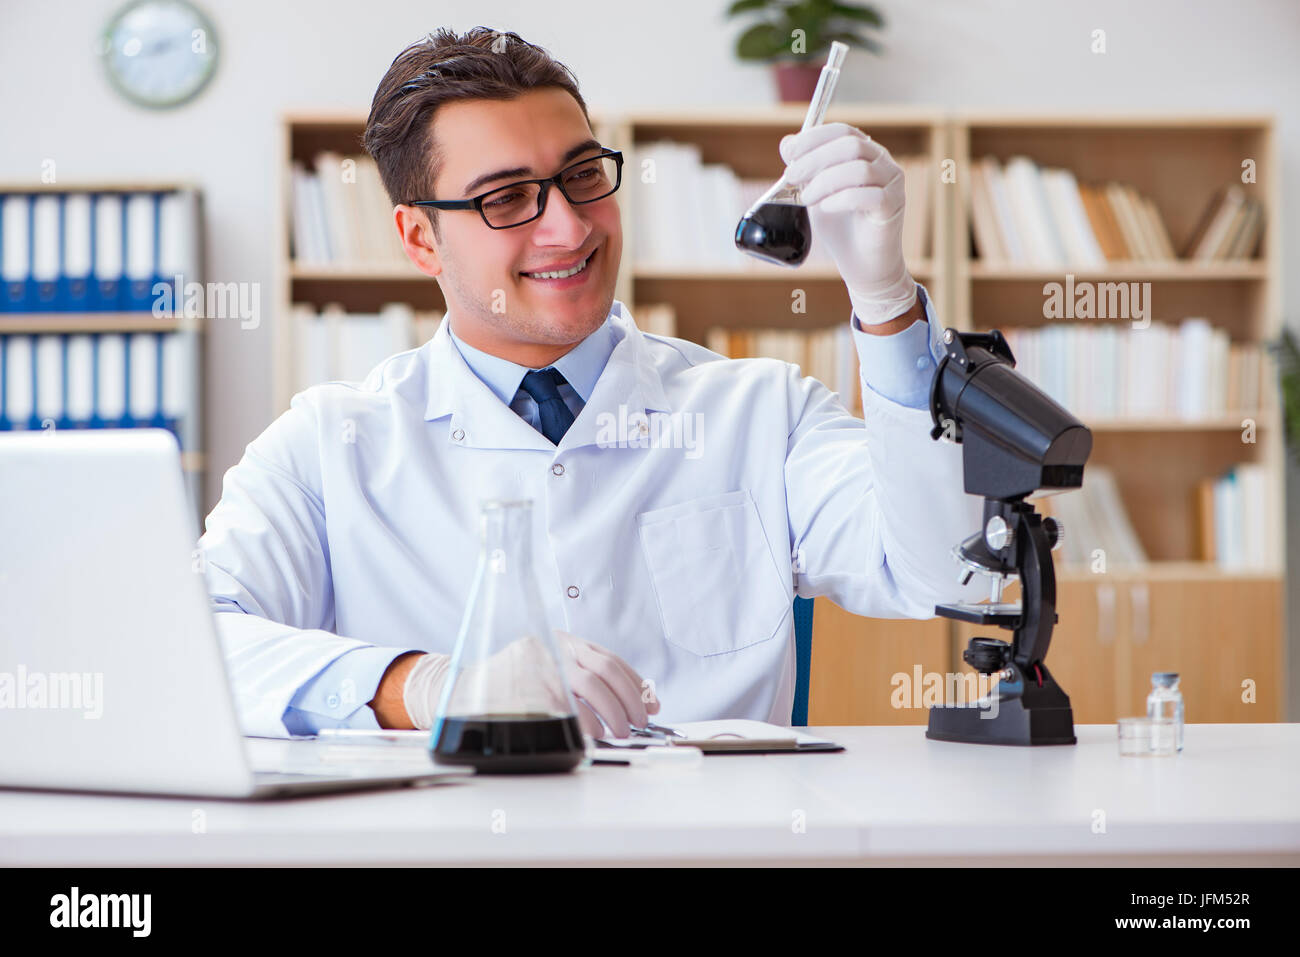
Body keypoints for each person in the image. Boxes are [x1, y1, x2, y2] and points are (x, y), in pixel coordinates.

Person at [197, 26, 983, 740]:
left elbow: (948, 573)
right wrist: (427, 686)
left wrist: (886, 304)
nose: (569, 227)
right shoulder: (329, 446)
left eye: (581, 176)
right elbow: (192, 646)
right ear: (418, 238)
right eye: (506, 198)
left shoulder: (761, 410)